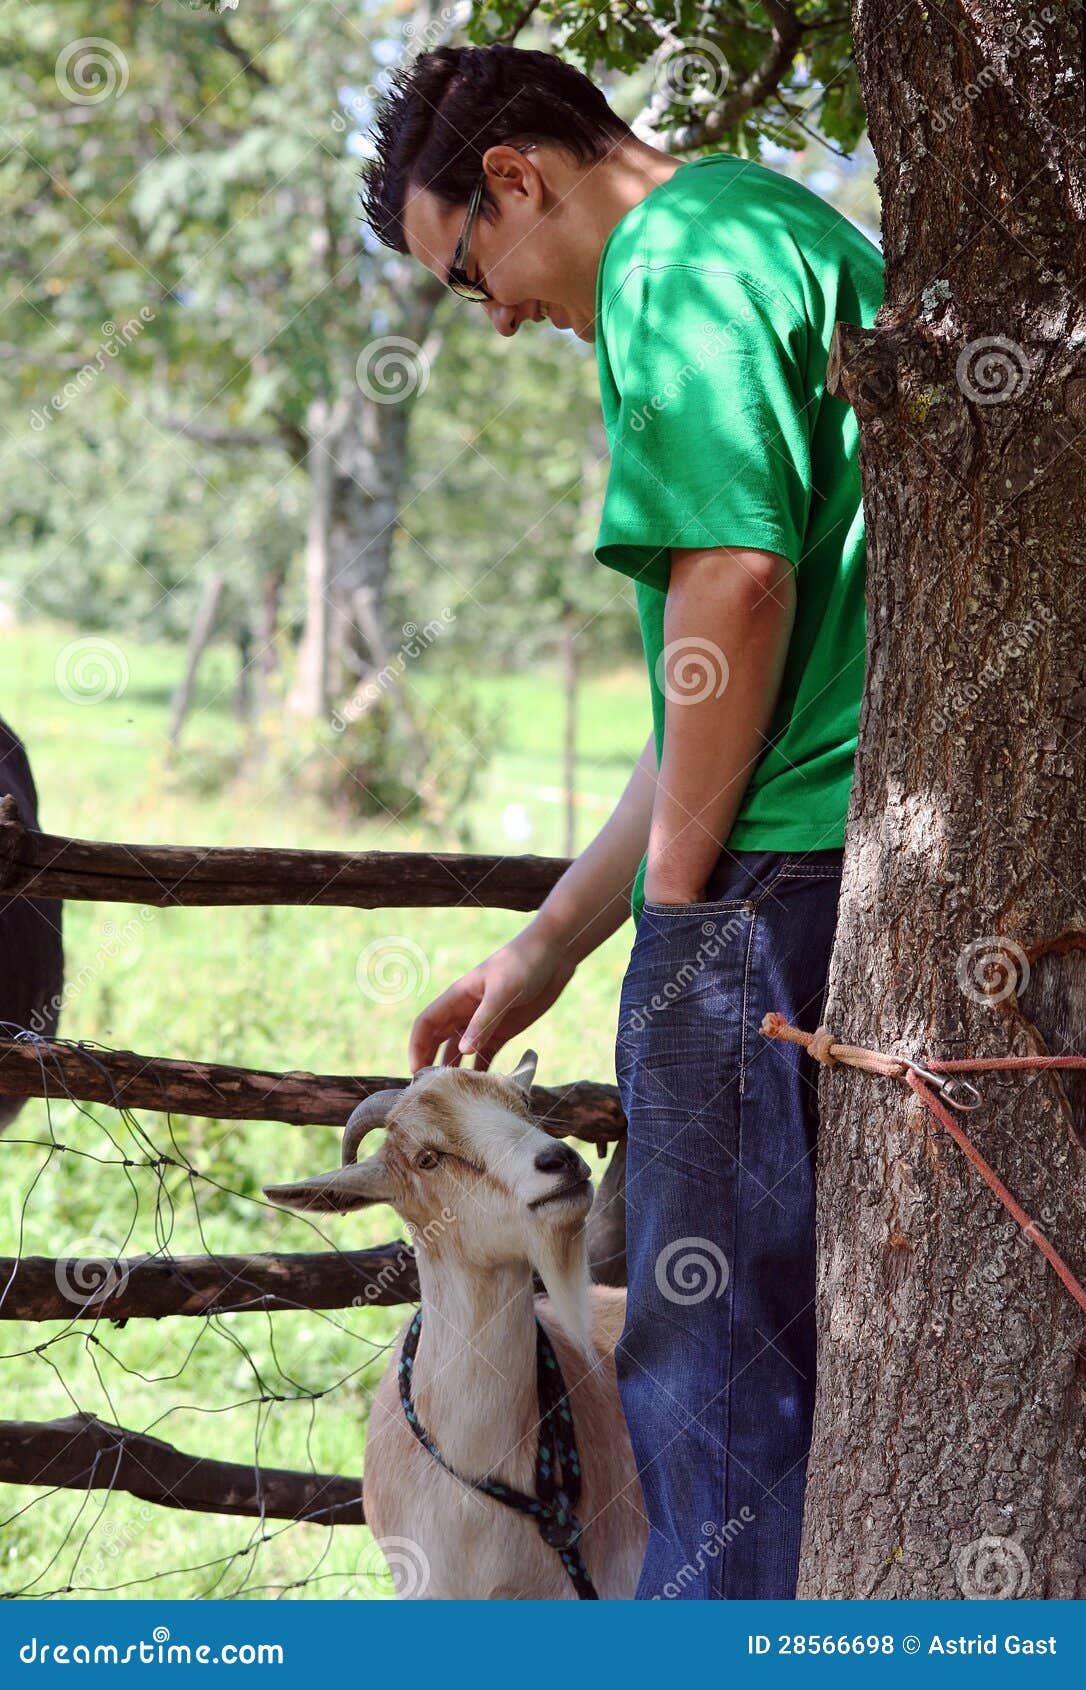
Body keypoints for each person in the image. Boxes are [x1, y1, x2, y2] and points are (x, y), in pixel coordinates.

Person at [360, 42, 884, 1599]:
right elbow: (705, 702)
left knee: (708, 1398)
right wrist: (549, 948)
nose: (503, 316)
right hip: (811, 853)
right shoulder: (769, 227)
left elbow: (732, 577)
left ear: (515, 180)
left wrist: (678, 919)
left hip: (773, 888)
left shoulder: (673, 268)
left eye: (470, 275)